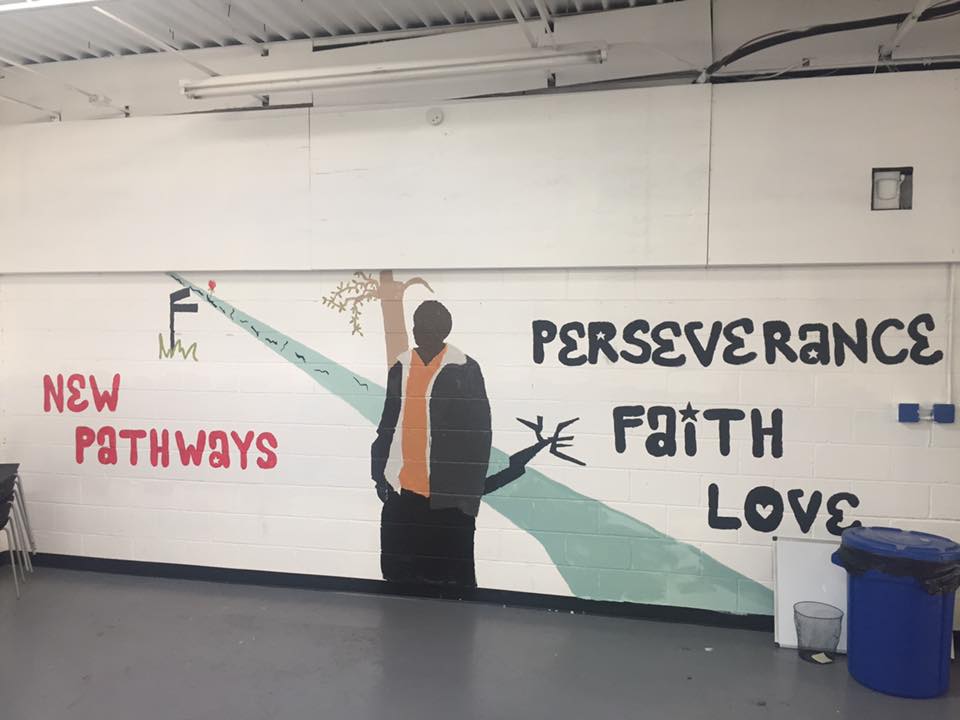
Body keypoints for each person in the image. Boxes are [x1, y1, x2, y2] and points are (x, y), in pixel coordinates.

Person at [370, 300, 492, 587]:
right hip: (402, 494)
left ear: (443, 332)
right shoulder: (401, 367)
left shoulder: (464, 369)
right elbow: (387, 424)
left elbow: (479, 436)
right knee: (397, 578)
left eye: (428, 328)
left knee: (450, 582)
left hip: (448, 500)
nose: (420, 333)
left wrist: (468, 498)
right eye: (418, 327)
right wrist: (379, 474)